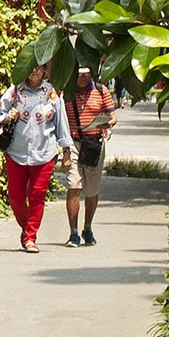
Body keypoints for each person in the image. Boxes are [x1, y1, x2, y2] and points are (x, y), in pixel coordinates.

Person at [0, 61, 75, 254]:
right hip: (16, 152)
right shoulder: (14, 91)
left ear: (45, 70)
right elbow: (0, 115)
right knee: (16, 198)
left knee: (37, 195)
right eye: (31, 66)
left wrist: (66, 152)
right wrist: (8, 117)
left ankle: (31, 237)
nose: (35, 71)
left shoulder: (51, 93)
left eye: (39, 67)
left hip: (44, 153)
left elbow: (61, 123)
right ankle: (26, 228)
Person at [64, 64, 118, 247]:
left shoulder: (101, 90)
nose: (83, 78)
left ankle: (87, 228)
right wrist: (63, 149)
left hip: (94, 144)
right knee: (73, 185)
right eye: (79, 75)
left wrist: (107, 124)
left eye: (86, 74)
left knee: (92, 190)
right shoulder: (66, 92)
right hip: (73, 143)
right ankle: (73, 233)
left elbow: (113, 116)